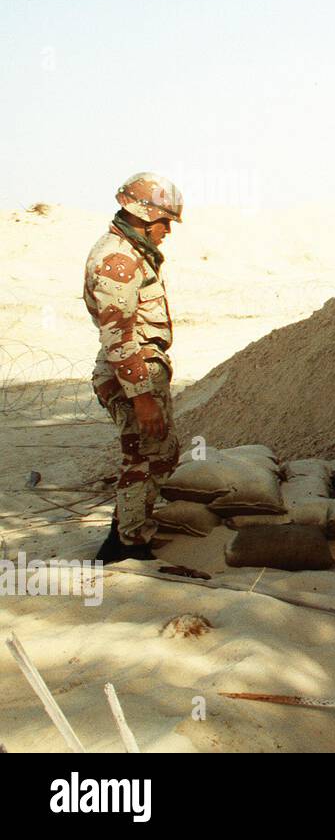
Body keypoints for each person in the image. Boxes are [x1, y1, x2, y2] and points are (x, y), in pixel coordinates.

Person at [84, 172, 184, 563]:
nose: (168, 232)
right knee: (144, 455)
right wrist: (142, 398)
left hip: (140, 370)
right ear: (144, 215)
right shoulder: (118, 261)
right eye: (165, 222)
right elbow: (120, 338)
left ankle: (122, 533)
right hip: (131, 373)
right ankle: (130, 547)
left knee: (155, 453)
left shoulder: (133, 252)